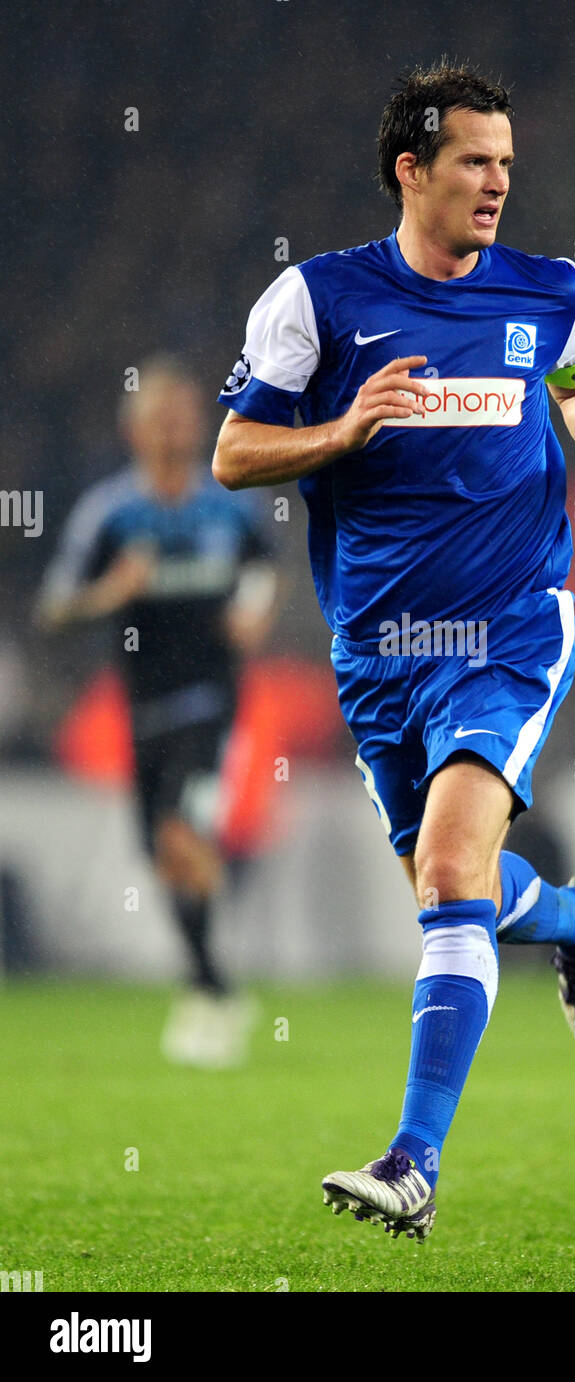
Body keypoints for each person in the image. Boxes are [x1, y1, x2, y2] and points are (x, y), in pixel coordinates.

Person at [213, 61, 575, 1238]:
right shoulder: (313, 301)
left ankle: (412, 1163)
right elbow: (234, 452)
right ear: (410, 171)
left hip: (506, 627)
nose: (497, 181)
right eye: (473, 160)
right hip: (374, 653)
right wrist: (342, 428)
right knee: (450, 890)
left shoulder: (546, 289)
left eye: (506, 160)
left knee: (452, 878)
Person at [36, 355, 278, 1068]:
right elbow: (52, 609)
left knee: (178, 829)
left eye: (183, 416)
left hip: (213, 703)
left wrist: (254, 611)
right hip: (141, 710)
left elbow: (266, 566)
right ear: (134, 429)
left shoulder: (230, 503)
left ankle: (212, 989)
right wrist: (110, 593)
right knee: (163, 855)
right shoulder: (111, 513)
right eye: (160, 417)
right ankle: (211, 986)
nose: (174, 430)